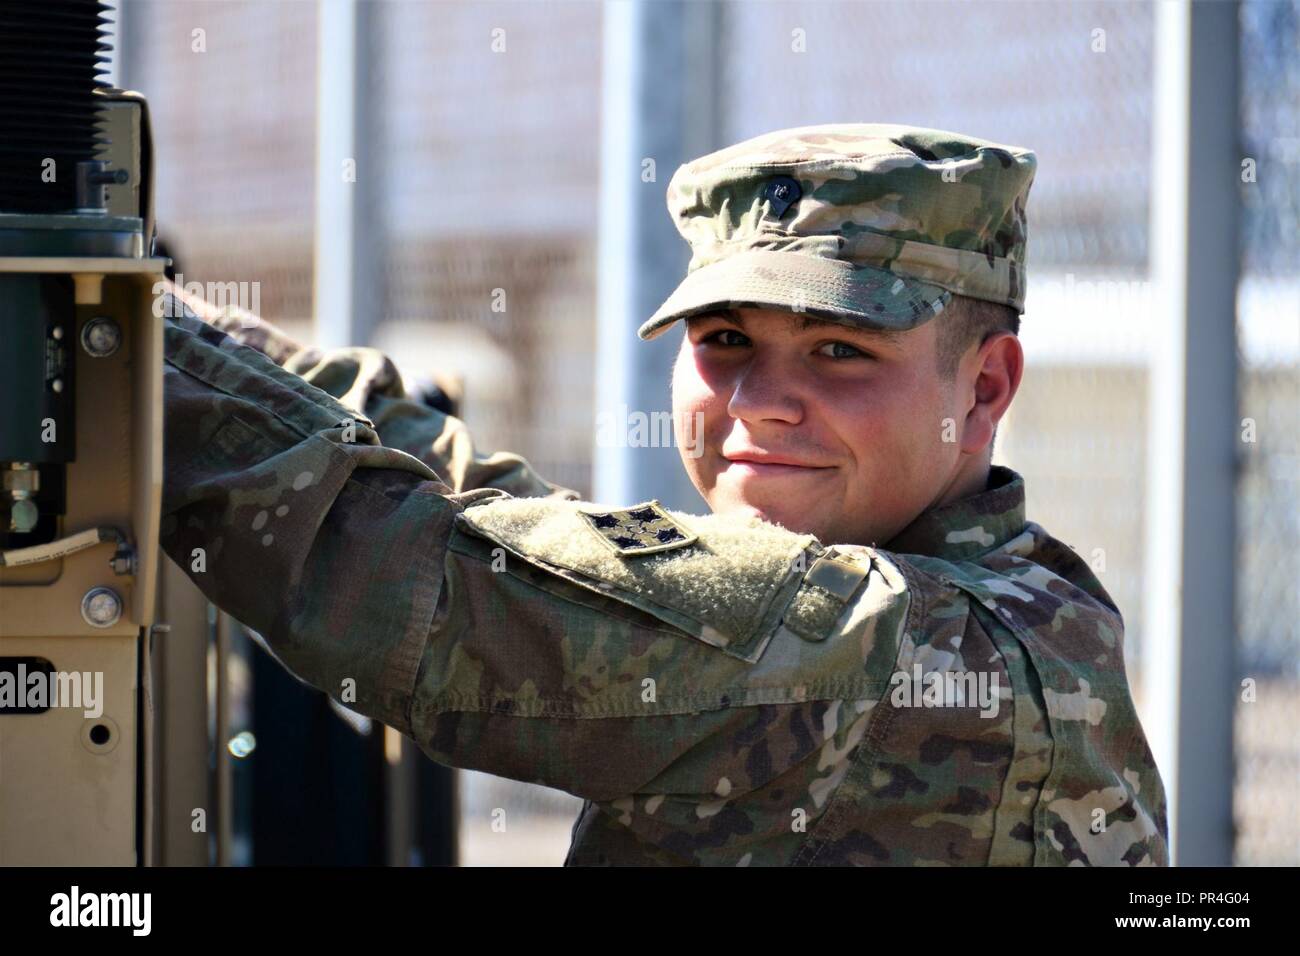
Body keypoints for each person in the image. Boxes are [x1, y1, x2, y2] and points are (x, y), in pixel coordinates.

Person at [160, 123, 1168, 866]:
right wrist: (174, 322)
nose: (761, 405)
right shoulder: (994, 587)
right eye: (724, 341)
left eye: (840, 349)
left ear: (984, 385)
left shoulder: (886, 638)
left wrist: (120, 352)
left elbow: (440, 581)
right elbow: (505, 515)